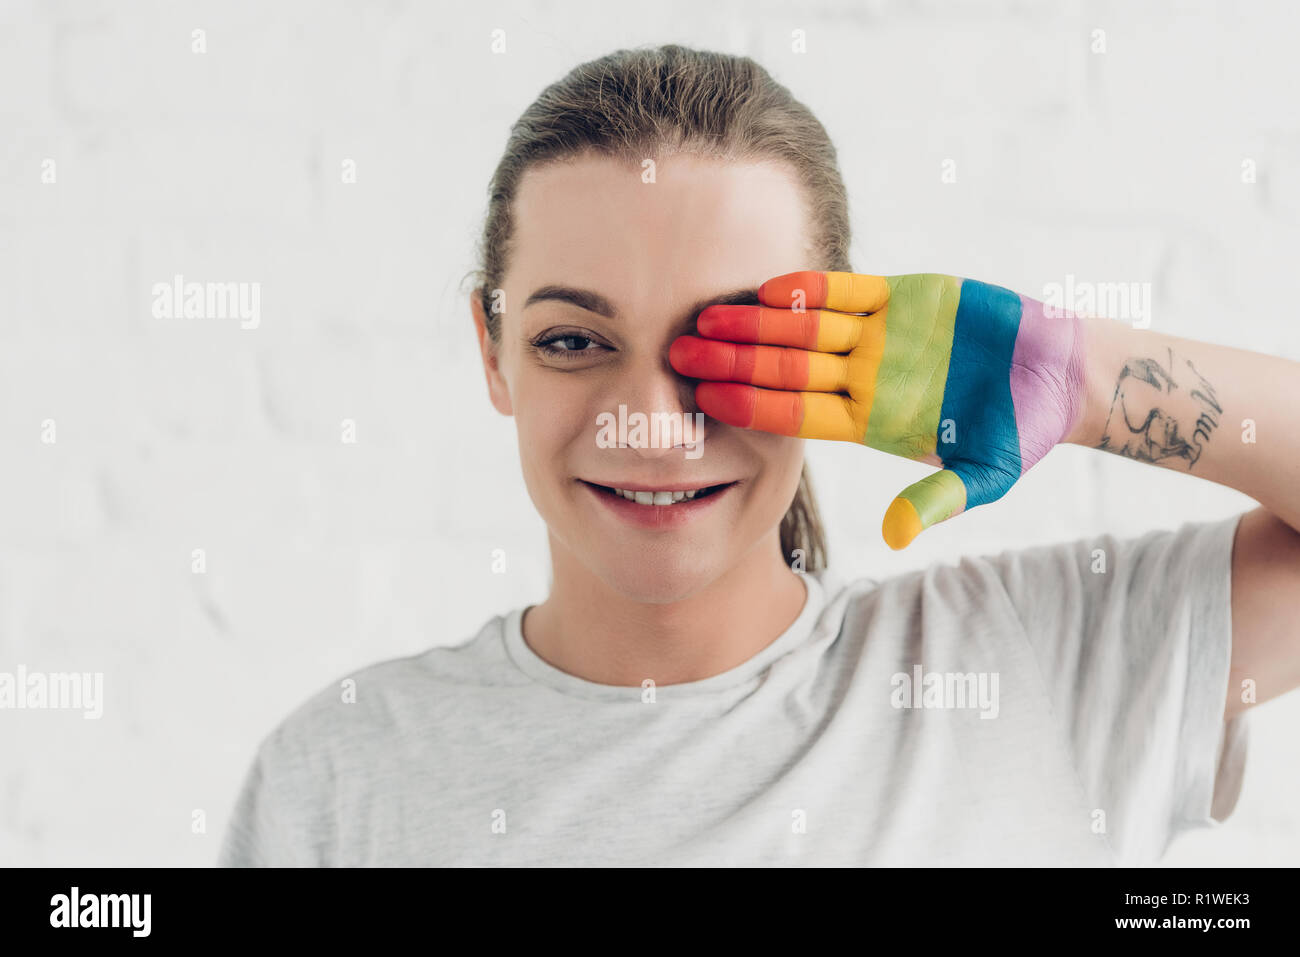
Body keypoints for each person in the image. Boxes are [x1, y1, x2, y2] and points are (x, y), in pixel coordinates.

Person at [218, 44, 1299, 867]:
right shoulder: (337, 779)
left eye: (729, 344)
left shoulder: (1042, 667)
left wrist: (1090, 378)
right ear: (493, 355)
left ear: (845, 352)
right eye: (572, 342)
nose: (650, 419)